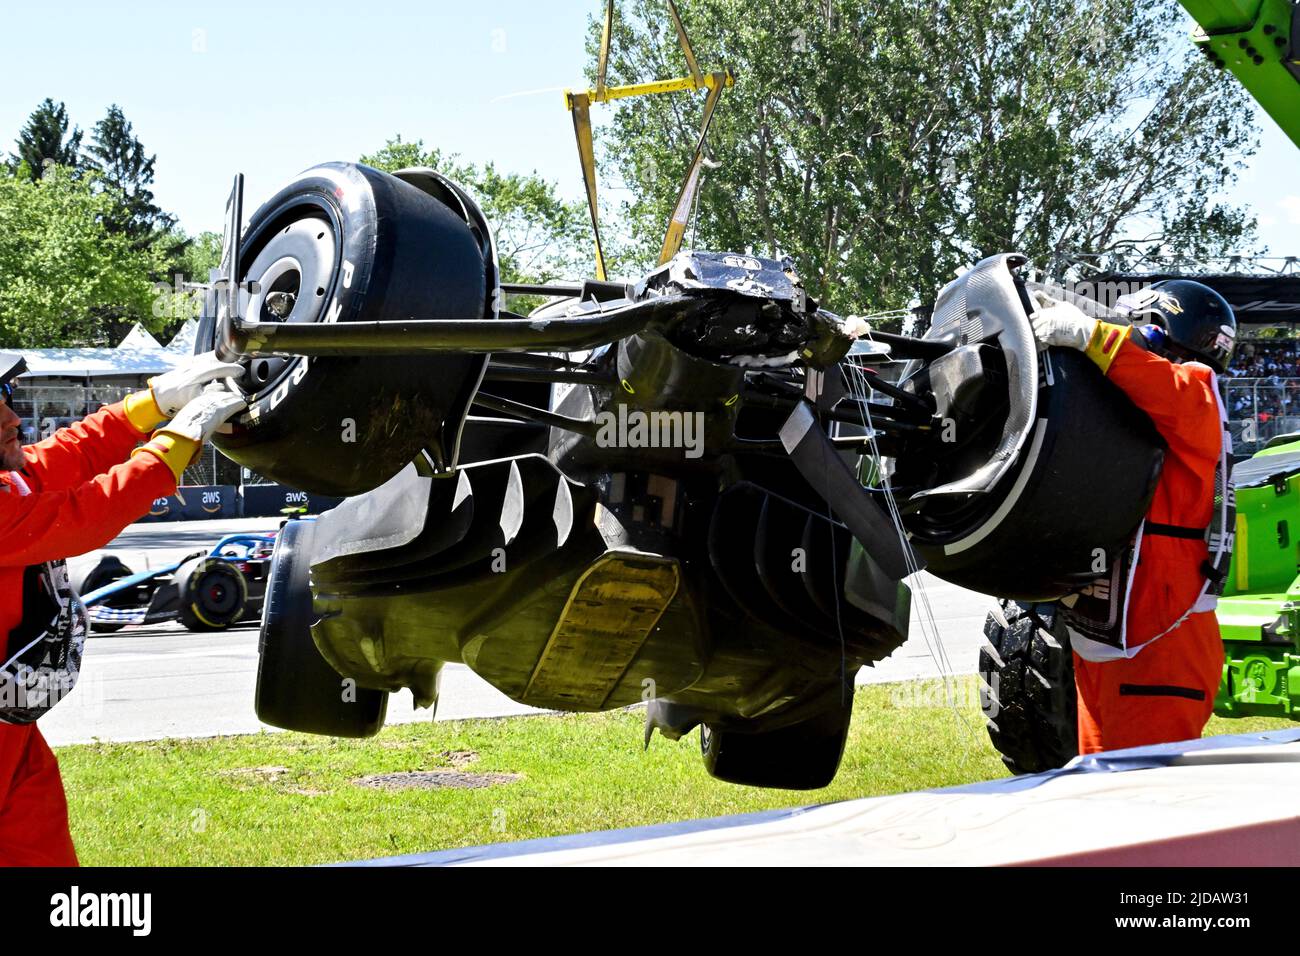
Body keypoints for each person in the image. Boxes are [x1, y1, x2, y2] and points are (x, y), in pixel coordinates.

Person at [0, 351, 245, 866]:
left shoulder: (9, 481)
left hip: (13, 732)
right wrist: (176, 441)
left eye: (7, 398)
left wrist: (155, 401)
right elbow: (85, 514)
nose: (14, 418)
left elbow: (66, 457)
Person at [1030, 280, 1235, 755]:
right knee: (1101, 786)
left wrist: (1090, 336)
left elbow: (1159, 381)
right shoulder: (1146, 412)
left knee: (1148, 804)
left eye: (1142, 332)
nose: (1128, 337)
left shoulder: (1196, 391)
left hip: (1163, 642)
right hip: (1119, 633)